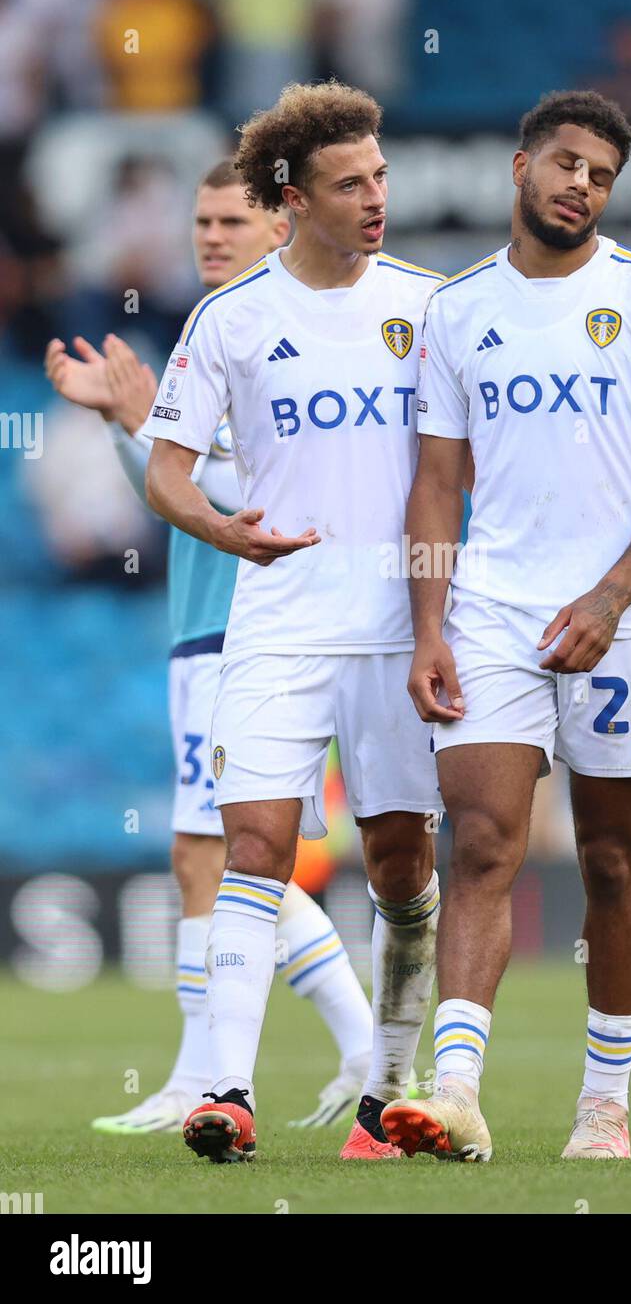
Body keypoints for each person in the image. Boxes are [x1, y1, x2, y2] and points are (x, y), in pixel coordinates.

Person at [383, 89, 631, 1162]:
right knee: (480, 841)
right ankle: (458, 1092)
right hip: (489, 613)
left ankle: (603, 1101)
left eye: (603, 176)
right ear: (520, 167)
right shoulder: (454, 308)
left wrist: (611, 598)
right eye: (567, 163)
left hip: (623, 618)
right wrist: (429, 626)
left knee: (613, 861)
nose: (582, 185)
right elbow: (437, 484)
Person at [143, 82, 445, 1164]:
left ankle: (388, 1096)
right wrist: (229, 534)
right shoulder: (230, 320)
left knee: (401, 860)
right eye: (349, 184)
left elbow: (462, 472)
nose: (375, 198)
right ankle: (225, 1093)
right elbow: (168, 474)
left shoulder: (429, 304)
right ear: (292, 196)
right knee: (256, 846)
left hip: (398, 632)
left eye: (379, 178)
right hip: (274, 624)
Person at [45, 158, 377, 1133]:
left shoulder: (279, 338)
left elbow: (250, 489)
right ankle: (213, 1067)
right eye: (199, 219)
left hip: (258, 627)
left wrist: (142, 423)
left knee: (229, 854)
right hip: (203, 620)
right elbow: (176, 487)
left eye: (232, 219)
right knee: (210, 853)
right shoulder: (213, 339)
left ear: (282, 227)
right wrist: (126, 422)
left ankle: (318, 1049)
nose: (209, 236)